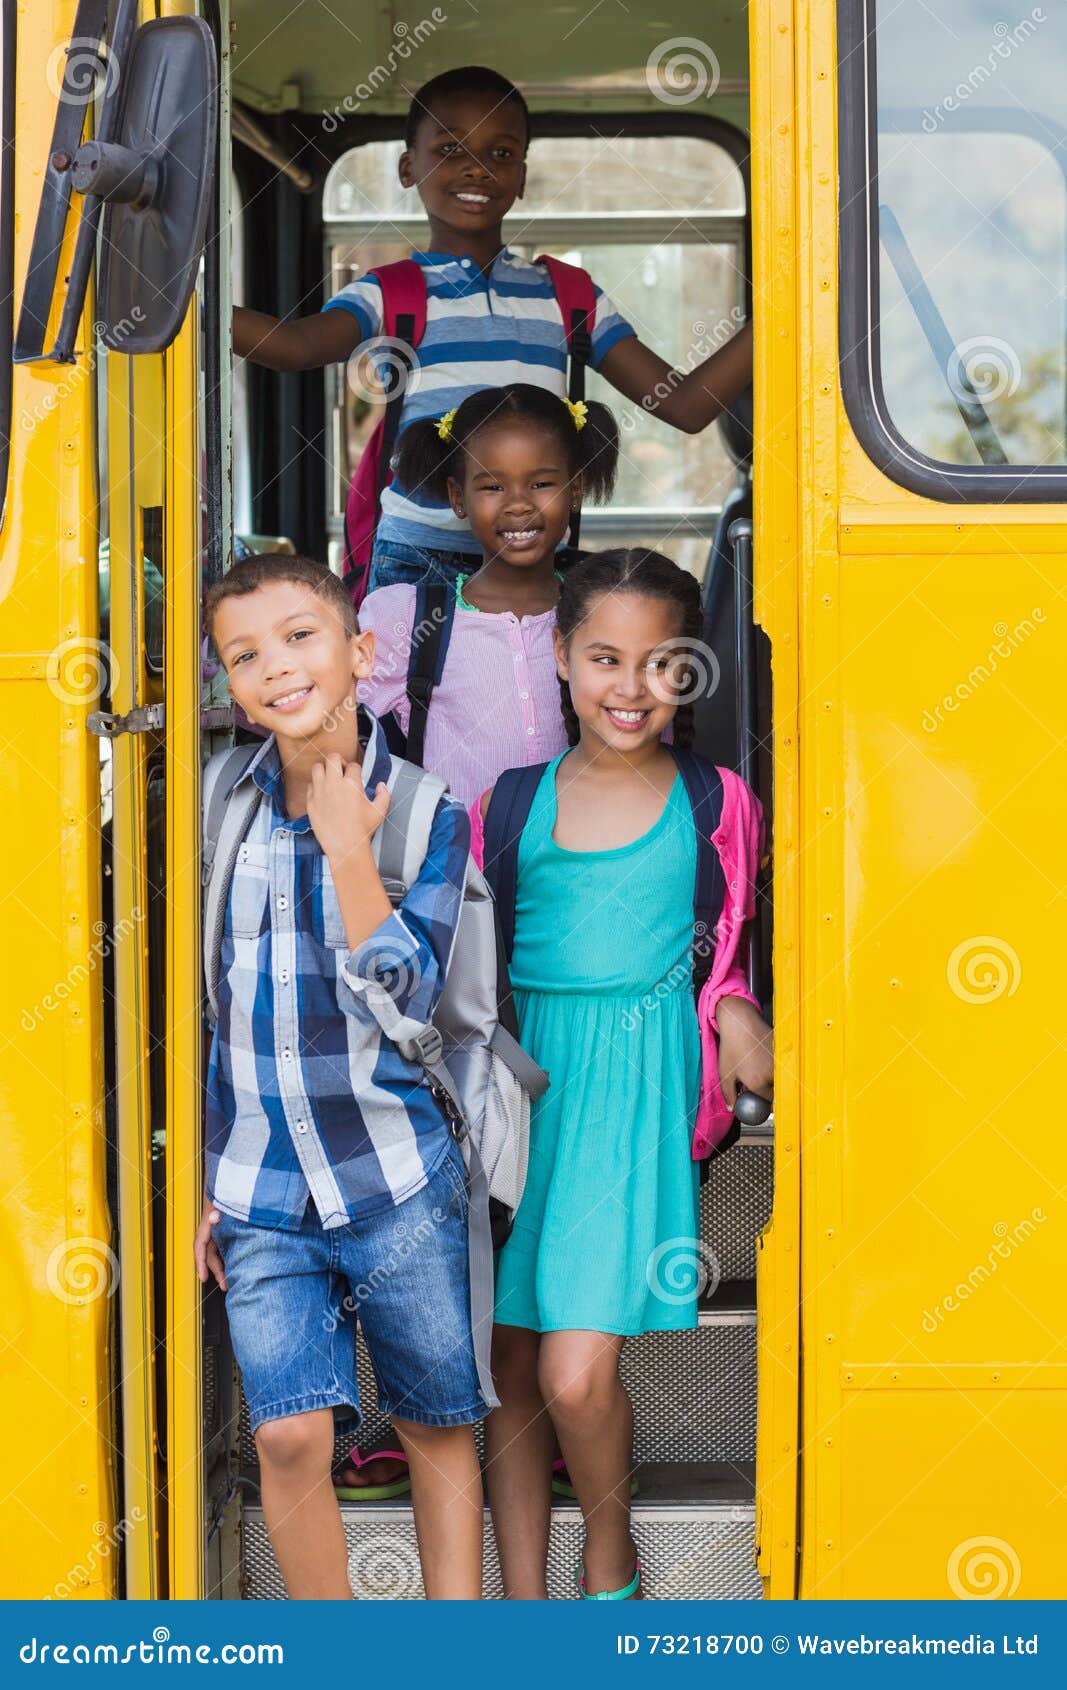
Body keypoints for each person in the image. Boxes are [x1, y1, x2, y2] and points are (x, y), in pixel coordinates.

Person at [469, 549, 773, 1600]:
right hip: (520, 1097)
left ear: (688, 672)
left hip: (635, 1097)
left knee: (572, 1368)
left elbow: (726, 940)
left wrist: (733, 1005)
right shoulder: (506, 804)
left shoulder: (716, 801)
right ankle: (521, 1605)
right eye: (603, 657)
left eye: (658, 664)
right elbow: (468, 961)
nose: (628, 687)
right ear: (559, 657)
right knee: (506, 1367)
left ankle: (609, 1559)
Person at [193, 553, 493, 1600]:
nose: (275, 666)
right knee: (285, 1434)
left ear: (361, 654)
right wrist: (200, 1176)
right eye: (244, 653)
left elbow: (407, 998)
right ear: (224, 680)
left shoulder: (424, 812)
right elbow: (204, 1008)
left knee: (433, 1426)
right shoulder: (215, 807)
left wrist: (349, 857)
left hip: (396, 1180)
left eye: (298, 636)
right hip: (259, 1189)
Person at [233, 64, 753, 592]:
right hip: (416, 563)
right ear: (408, 168)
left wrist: (786, 309)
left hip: (533, 563)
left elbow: (685, 405)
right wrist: (187, 300)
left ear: (522, 177)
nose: (478, 168)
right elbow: (291, 346)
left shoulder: (568, 296)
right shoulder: (391, 292)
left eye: (501, 154)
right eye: (451, 149)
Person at [359, 382, 618, 806]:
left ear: (575, 489)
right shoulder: (404, 617)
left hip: (578, 870)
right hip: (453, 870)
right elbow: (335, 727)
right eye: (493, 487)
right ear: (458, 498)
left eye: (541, 484)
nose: (518, 504)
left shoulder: (606, 617)